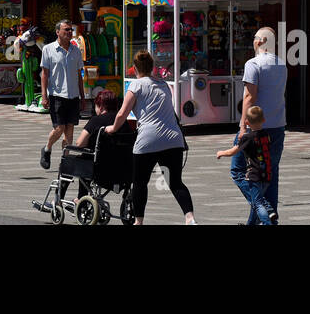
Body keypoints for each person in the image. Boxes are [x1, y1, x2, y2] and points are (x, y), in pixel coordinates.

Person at [106, 50, 196, 225]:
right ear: (152, 67)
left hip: (148, 140)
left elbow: (122, 114)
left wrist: (113, 128)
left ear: (134, 68)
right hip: (173, 139)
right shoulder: (163, 85)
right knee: (175, 182)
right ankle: (190, 217)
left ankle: (138, 221)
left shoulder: (136, 86)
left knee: (140, 182)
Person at [238, 26, 287, 220]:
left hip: (255, 127)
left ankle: (264, 207)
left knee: (238, 171)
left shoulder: (253, 64)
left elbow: (250, 96)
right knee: (270, 175)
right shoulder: (281, 64)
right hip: (278, 125)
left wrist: (243, 126)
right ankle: (263, 219)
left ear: (260, 41)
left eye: (255, 38)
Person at [38, 19, 86, 170]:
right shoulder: (48, 49)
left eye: (70, 30)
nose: (69, 32)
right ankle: (47, 149)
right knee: (59, 128)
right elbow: (44, 74)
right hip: (57, 95)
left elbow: (79, 75)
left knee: (70, 130)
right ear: (57, 32)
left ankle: (66, 161)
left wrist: (83, 97)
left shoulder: (76, 50)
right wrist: (44, 96)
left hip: (73, 96)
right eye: (66, 29)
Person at [217, 105, 275, 225]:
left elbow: (234, 151)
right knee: (257, 201)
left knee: (258, 204)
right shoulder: (267, 135)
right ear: (264, 120)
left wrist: (221, 153)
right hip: (267, 175)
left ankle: (267, 222)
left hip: (254, 176)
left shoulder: (247, 137)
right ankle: (255, 220)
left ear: (247, 122)